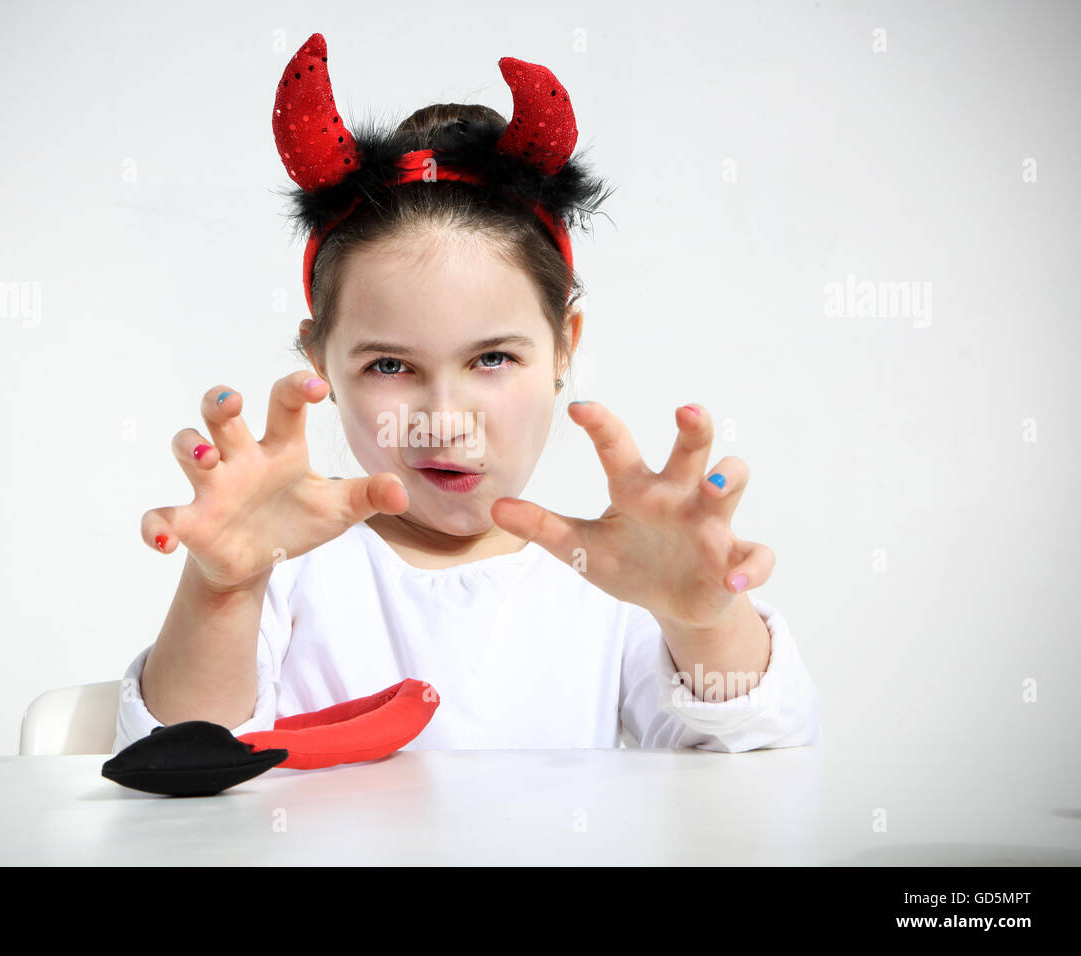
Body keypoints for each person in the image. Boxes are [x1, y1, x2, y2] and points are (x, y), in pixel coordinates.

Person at [113, 34, 822, 757]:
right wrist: (223, 590)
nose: (444, 424)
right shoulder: (286, 564)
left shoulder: (619, 576)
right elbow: (180, 763)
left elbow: (761, 766)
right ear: (318, 359)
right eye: (391, 366)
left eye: (491, 357)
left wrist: (705, 623)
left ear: (563, 348)